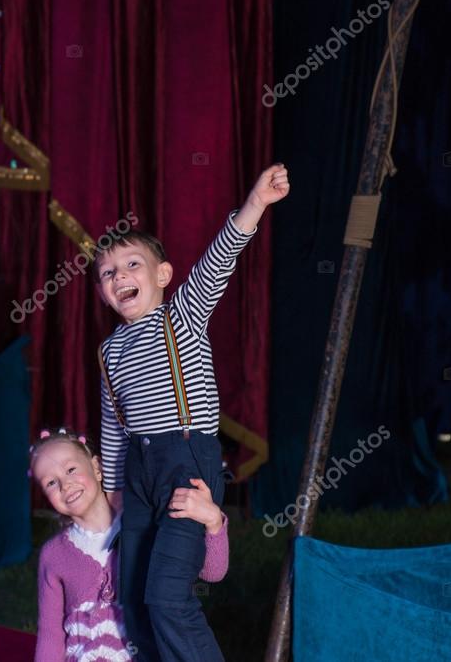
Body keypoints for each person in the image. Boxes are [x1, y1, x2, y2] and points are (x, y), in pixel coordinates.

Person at [96, 164, 290, 661]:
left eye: (132, 265)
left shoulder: (181, 314)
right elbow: (113, 425)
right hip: (138, 475)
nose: (120, 277)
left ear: (163, 275)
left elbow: (219, 260)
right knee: (135, 600)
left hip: (186, 463)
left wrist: (255, 204)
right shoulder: (108, 351)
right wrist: (115, 489)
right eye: (108, 273)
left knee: (166, 597)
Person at [31, 427, 228, 662]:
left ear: (96, 467)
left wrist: (213, 522)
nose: (66, 485)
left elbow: (212, 573)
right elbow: (50, 635)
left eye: (71, 469)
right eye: (51, 483)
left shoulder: (144, 527)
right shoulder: (54, 556)